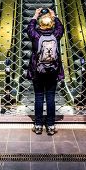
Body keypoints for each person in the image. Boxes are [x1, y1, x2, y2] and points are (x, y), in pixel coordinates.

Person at [26, 7, 64, 135]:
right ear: (51, 23)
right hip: (53, 70)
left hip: (38, 70)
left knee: (38, 96)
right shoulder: (56, 35)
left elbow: (29, 28)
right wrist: (54, 16)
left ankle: (38, 125)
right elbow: (61, 28)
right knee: (50, 97)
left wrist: (35, 15)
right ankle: (51, 125)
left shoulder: (36, 35)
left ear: (40, 23)